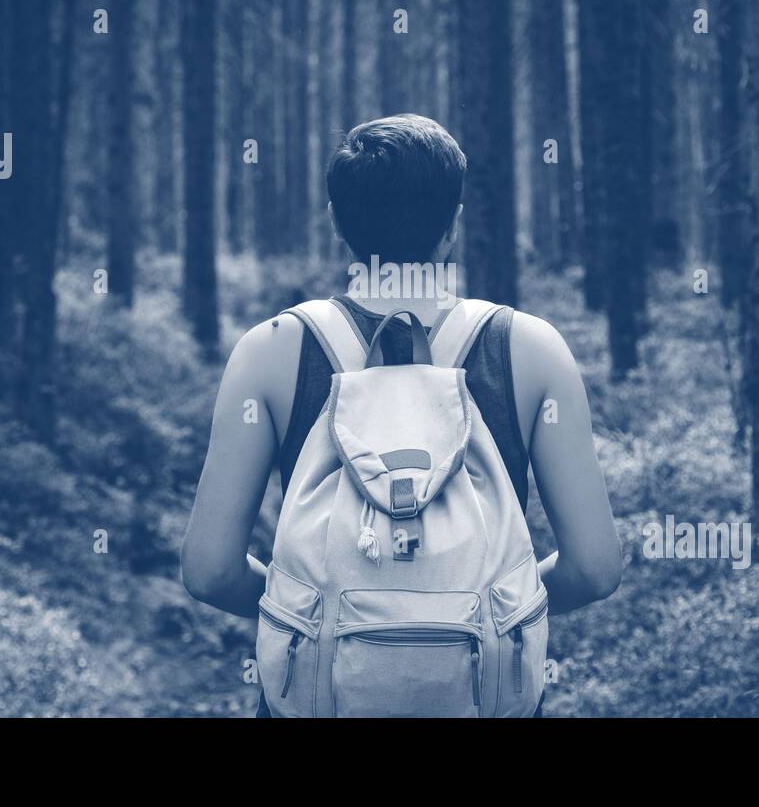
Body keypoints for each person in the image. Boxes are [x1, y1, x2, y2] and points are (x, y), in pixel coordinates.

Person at [182, 114, 623, 716]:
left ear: (337, 222)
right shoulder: (530, 348)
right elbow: (595, 570)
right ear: (454, 226)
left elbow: (209, 572)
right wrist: (474, 604)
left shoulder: (273, 349)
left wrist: (326, 611)